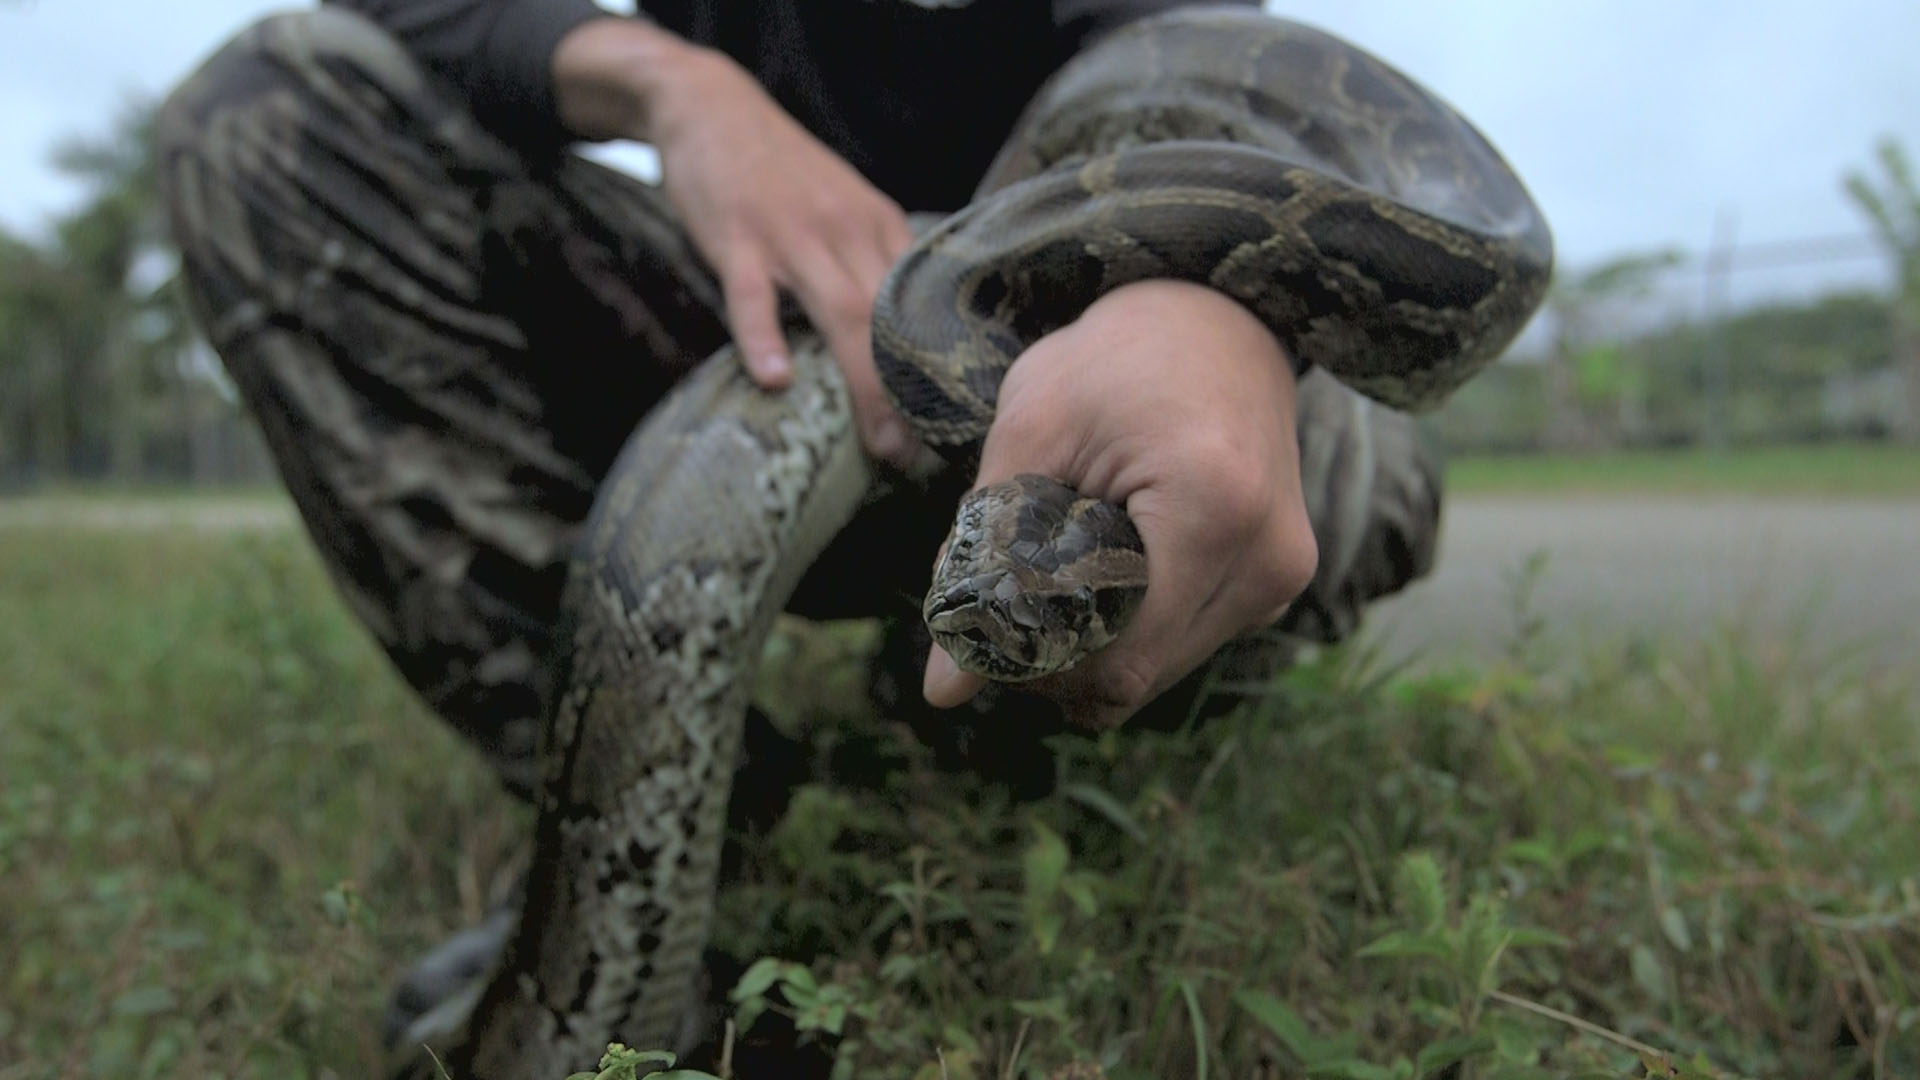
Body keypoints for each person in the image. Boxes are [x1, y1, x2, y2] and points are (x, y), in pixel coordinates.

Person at [152, 0, 1450, 1050]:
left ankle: (1035, 749)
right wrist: (672, 84)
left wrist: (1208, 306)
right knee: (260, 112)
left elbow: (1198, 53)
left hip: (1074, 355)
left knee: (1353, 463)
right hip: (748, 334)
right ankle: (693, 810)